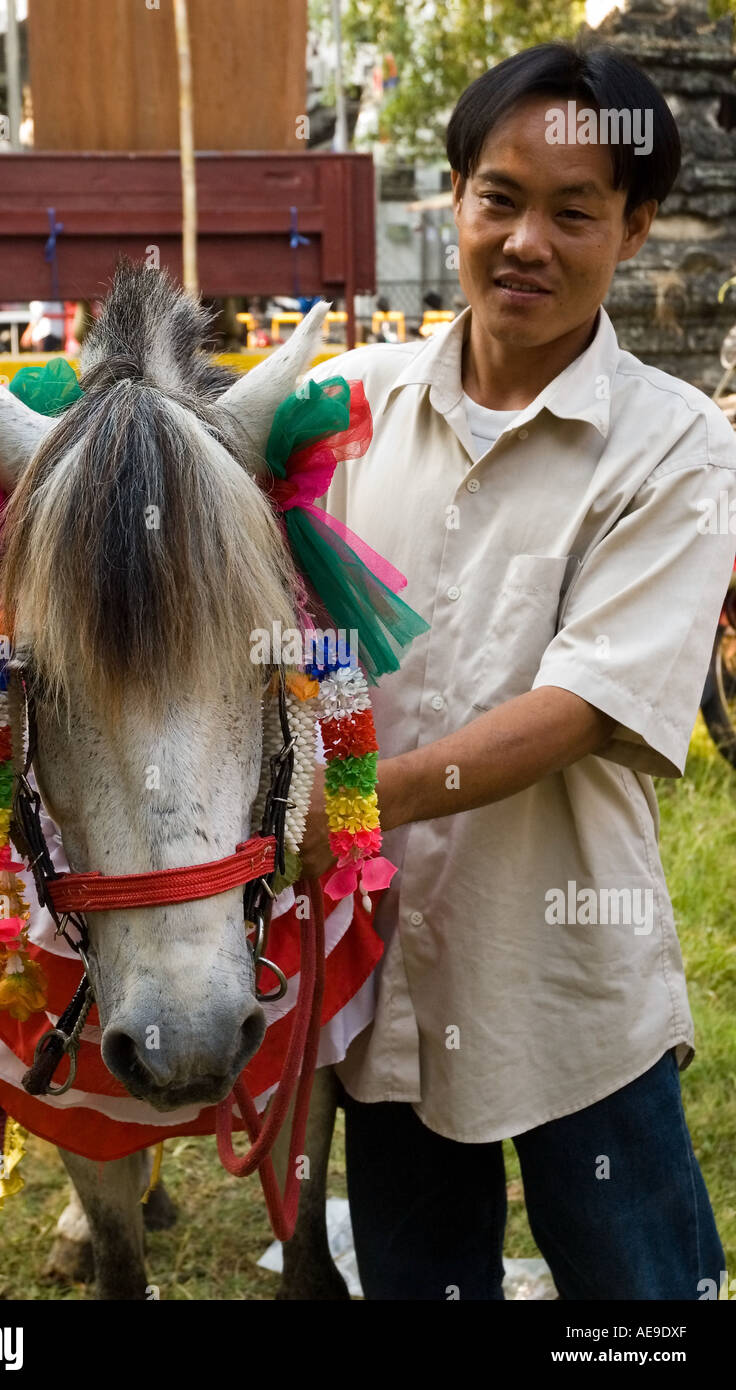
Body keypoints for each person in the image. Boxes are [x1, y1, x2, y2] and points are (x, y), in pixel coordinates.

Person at [299, 40, 736, 1300]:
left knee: (636, 1300)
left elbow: (582, 709)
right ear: (454, 201)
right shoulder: (342, 408)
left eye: (574, 211)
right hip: (382, 971)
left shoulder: (674, 449)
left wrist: (343, 806)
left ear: (636, 229)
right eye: (500, 198)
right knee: (423, 1279)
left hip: (560, 975)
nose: (526, 241)